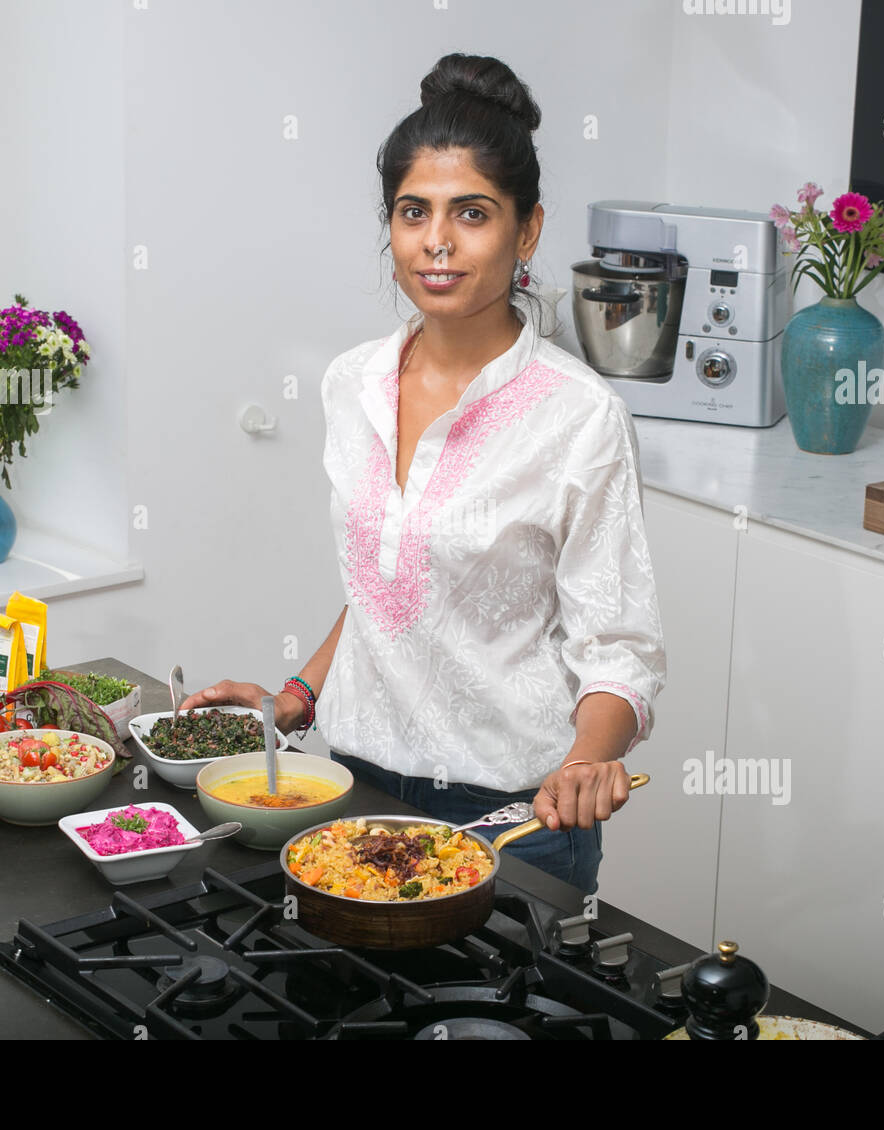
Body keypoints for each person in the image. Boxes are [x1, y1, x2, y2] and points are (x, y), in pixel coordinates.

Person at [182, 53, 664, 893]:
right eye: (414, 212)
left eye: (471, 213)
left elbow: (618, 644)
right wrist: (297, 695)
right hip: (351, 790)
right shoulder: (351, 383)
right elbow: (391, 575)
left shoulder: (579, 416)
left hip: (516, 817)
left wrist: (590, 760)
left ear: (529, 230)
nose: (436, 241)